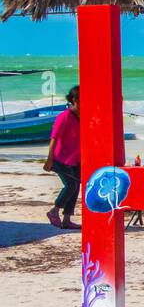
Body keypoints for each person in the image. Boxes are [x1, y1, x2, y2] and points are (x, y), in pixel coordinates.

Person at [43, 85, 81, 229]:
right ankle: (54, 211)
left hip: (76, 159)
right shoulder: (64, 117)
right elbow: (54, 139)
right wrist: (49, 160)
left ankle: (66, 219)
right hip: (60, 159)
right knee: (71, 185)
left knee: (76, 186)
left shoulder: (84, 116)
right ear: (74, 100)